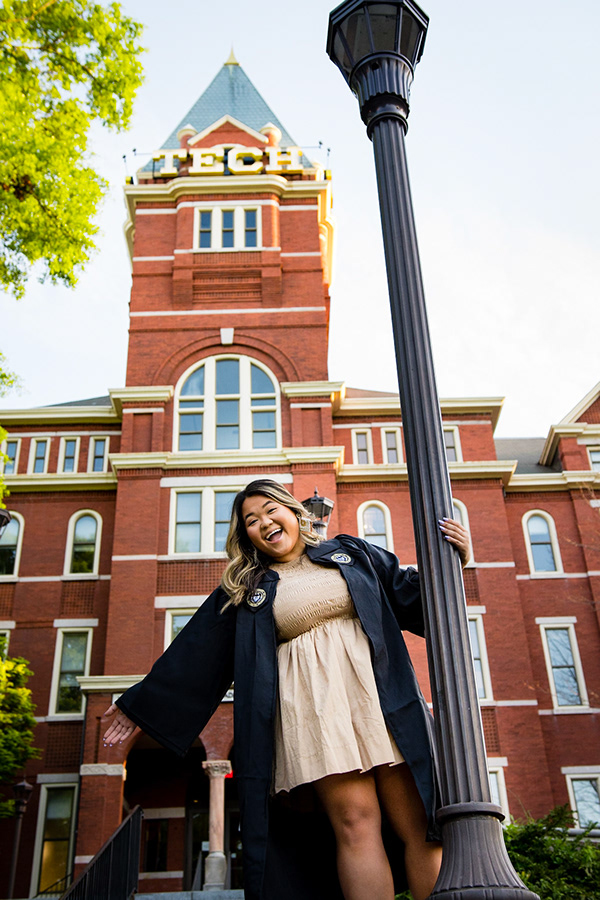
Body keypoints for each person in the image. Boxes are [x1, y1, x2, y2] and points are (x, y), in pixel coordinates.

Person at [103, 479, 471, 900]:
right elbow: (195, 651)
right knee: (356, 826)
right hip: (314, 716)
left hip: (381, 701)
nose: (264, 522)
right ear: (247, 536)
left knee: (421, 824)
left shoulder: (351, 553)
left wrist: (452, 563)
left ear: (294, 512)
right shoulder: (246, 590)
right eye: (251, 521)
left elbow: (412, 596)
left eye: (270, 510)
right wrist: (139, 705)